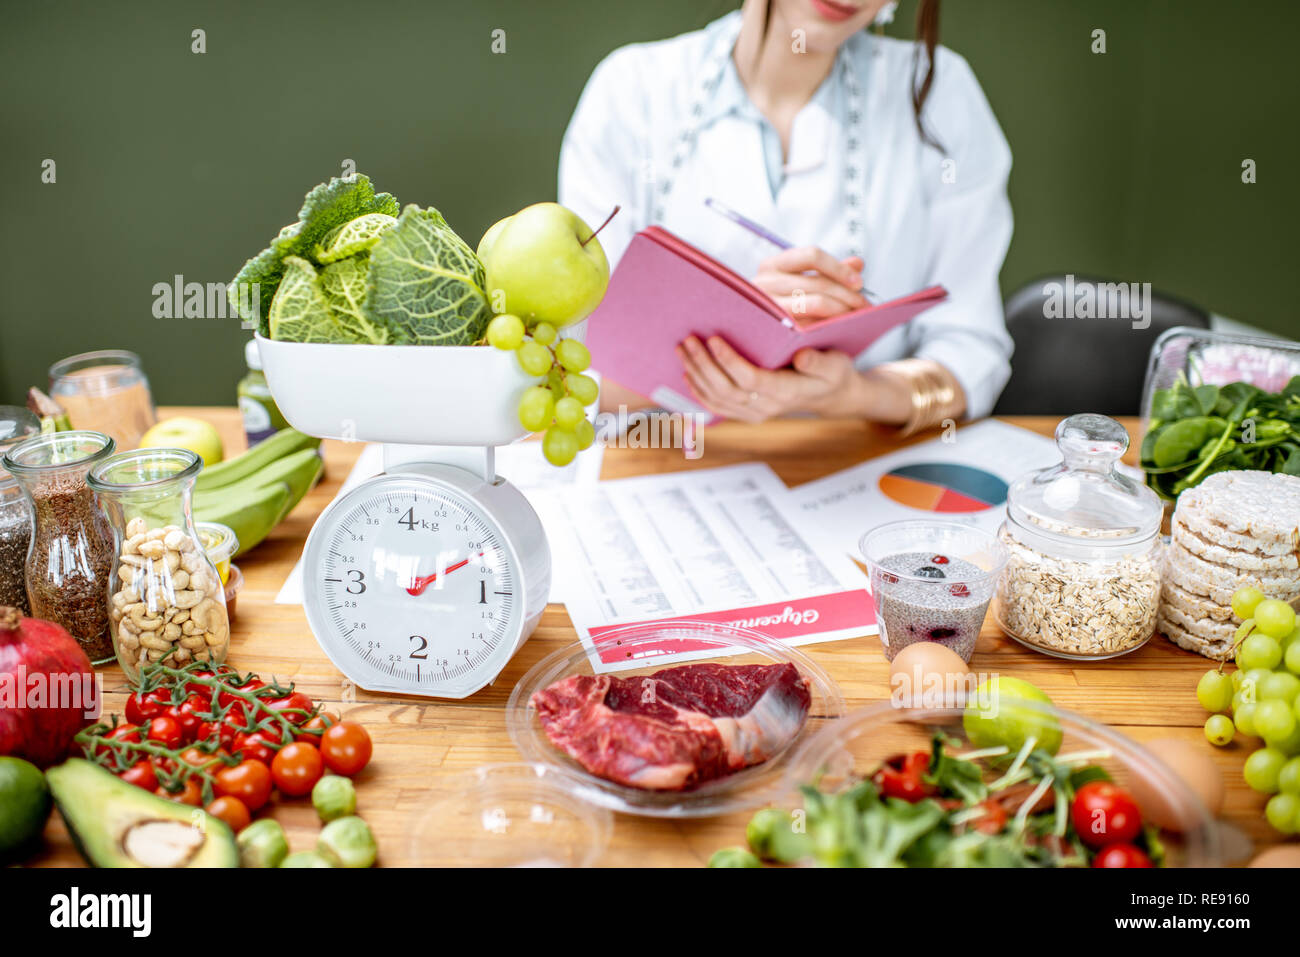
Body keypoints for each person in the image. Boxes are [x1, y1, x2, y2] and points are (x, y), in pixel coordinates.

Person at [559, 0, 1013, 433]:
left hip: (854, 469)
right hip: (666, 461)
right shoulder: (631, 93)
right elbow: (570, 374)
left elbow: (971, 352)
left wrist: (853, 393)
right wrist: (739, 338)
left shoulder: (938, 93)